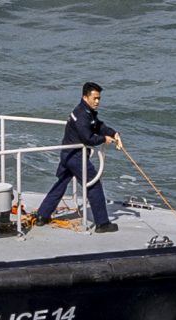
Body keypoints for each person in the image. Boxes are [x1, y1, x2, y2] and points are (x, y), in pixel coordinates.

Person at [29, 81, 122, 233]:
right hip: (76, 157)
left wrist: (113, 133)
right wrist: (104, 139)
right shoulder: (82, 115)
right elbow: (88, 138)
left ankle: (42, 215)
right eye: (94, 98)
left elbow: (97, 125)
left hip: (68, 153)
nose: (97, 101)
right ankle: (102, 223)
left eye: (99, 98)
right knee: (94, 184)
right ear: (85, 97)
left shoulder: (86, 111)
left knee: (61, 183)